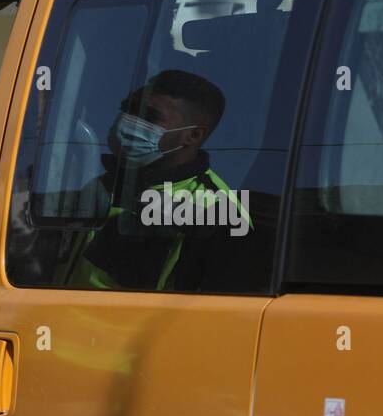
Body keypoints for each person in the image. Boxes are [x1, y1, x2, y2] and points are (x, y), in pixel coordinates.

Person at [62, 69, 250, 291]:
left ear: (193, 135)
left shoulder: (217, 211)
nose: (129, 121)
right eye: (129, 109)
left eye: (150, 116)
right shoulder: (105, 182)